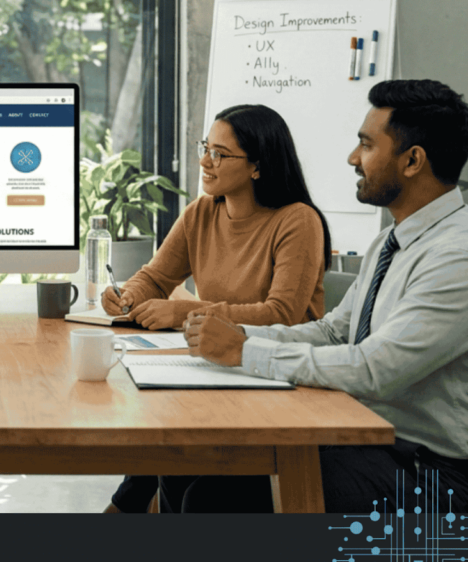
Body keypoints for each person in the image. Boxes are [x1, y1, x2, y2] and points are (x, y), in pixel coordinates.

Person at [175, 79, 468, 513]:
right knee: (197, 465)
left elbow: (374, 369)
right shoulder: (391, 241)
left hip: (431, 473)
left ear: (413, 161)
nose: (353, 159)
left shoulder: (456, 257)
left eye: (366, 146)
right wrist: (241, 333)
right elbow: (336, 332)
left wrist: (244, 351)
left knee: (216, 498)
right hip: (365, 436)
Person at [102, 103, 332, 513]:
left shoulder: (298, 221)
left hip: (281, 384)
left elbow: (283, 315)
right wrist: (128, 294)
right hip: (216, 371)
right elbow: (155, 277)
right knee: (159, 453)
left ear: (257, 167)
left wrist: (186, 312)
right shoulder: (202, 212)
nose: (204, 161)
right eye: (205, 147)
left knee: (186, 485)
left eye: (219, 154)